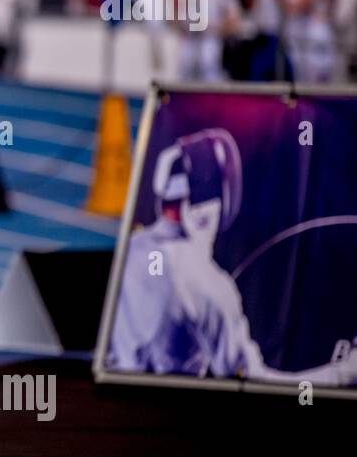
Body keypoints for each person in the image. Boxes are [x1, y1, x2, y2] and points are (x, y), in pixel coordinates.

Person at [109, 128, 356, 385]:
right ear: (206, 209)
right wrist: (345, 372)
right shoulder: (206, 283)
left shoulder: (131, 247)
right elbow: (257, 384)